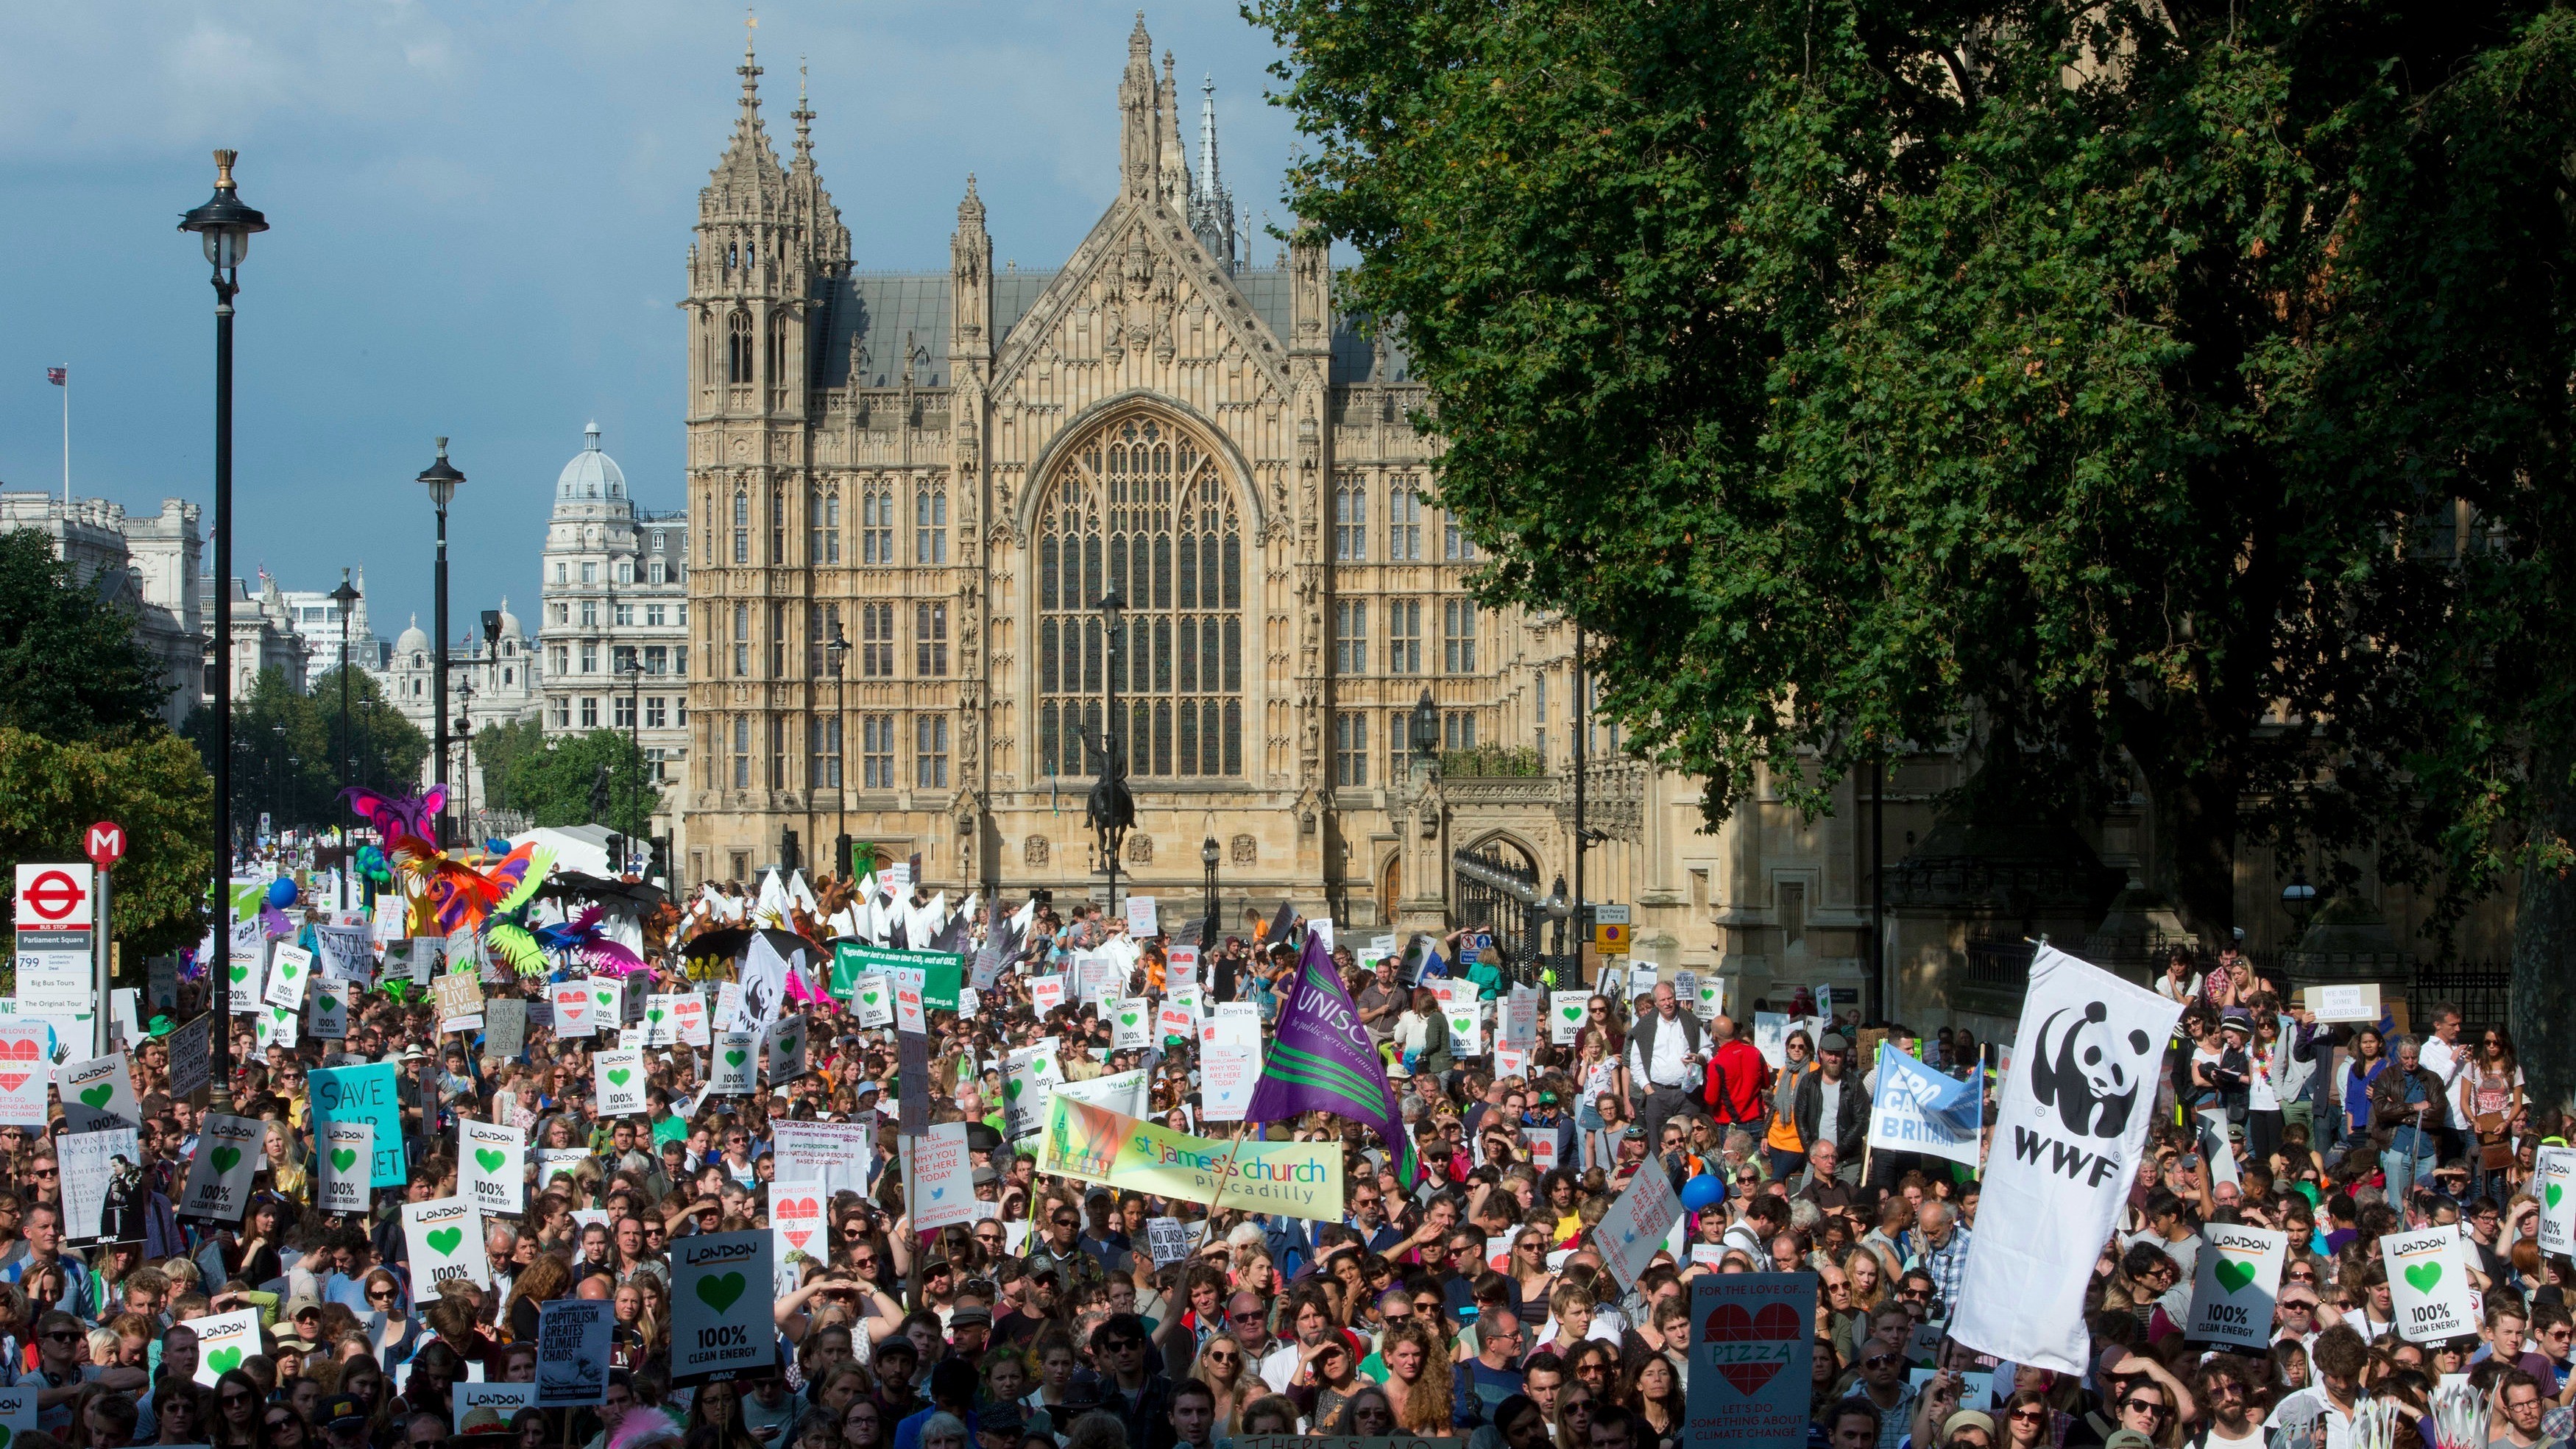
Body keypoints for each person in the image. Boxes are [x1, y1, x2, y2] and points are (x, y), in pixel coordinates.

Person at [1625, 985, 1710, 1149]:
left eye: (1670, 998)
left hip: (1688, 1091)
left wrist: (1699, 1057)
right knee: (1659, 1143)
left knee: (1691, 1140)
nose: (1667, 1003)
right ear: (1656, 1003)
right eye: (1663, 1000)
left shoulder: (1690, 1021)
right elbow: (1635, 1062)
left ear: (1675, 998)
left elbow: (1707, 1048)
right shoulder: (1645, 1027)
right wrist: (1647, 1088)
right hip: (1658, 1094)